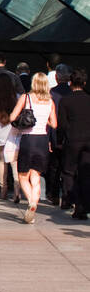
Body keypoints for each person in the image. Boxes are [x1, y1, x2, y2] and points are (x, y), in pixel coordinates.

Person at [11, 72, 57, 225]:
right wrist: (43, 120)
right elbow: (54, 124)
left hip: (28, 139)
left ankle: (31, 201)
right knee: (36, 175)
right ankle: (34, 205)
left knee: (23, 175)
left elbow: (12, 117)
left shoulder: (26, 98)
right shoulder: (50, 101)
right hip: (42, 140)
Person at [60, 68, 90, 219]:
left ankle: (75, 202)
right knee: (85, 173)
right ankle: (84, 205)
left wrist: (59, 141)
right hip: (88, 141)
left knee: (69, 172)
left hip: (72, 140)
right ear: (84, 83)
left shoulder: (65, 100)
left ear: (70, 83)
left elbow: (62, 124)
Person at [0, 74, 21, 203]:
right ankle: (17, 192)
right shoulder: (17, 98)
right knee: (14, 163)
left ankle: (3, 191)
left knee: (1, 161)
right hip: (14, 134)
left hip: (0, 135)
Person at [49, 65, 71, 208]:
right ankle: (66, 196)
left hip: (55, 134)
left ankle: (54, 195)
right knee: (67, 168)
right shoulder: (71, 93)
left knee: (54, 167)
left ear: (56, 77)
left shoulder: (52, 93)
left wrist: (49, 139)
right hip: (69, 135)